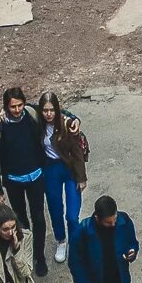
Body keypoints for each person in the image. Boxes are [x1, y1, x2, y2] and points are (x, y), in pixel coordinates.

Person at [0, 87, 49, 275]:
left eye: (19, 105)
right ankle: (25, 252)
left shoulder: (31, 115)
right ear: (6, 107)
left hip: (35, 175)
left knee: (38, 216)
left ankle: (40, 256)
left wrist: (73, 120)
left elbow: (54, 113)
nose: (16, 110)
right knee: (20, 219)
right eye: (12, 106)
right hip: (13, 180)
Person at [36, 92, 87, 265]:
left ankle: (75, 244)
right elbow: (23, 106)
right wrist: (3, 112)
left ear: (57, 110)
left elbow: (78, 152)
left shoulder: (66, 124)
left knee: (72, 215)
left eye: (52, 110)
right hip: (51, 169)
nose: (48, 114)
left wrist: (81, 177)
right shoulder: (38, 124)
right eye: (45, 110)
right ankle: (61, 241)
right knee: (55, 208)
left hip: (69, 168)